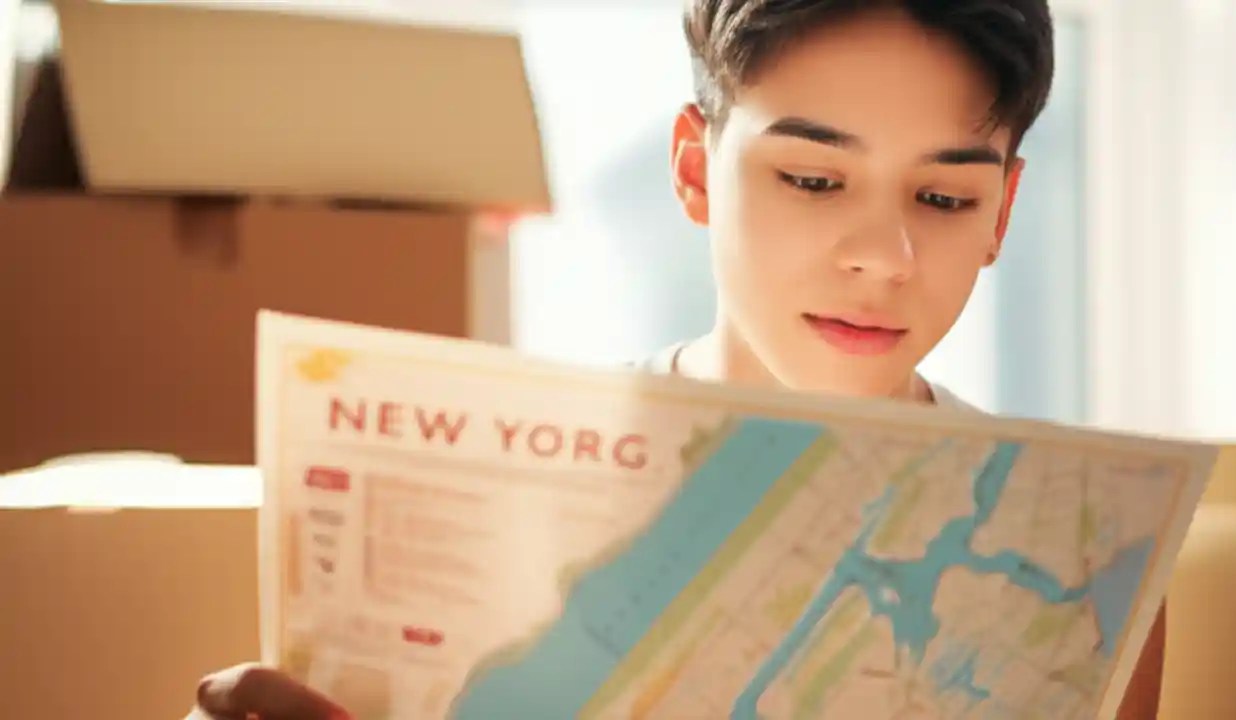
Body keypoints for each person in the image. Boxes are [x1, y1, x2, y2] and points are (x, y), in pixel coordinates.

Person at [189, 1, 1166, 717]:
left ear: (998, 211)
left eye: (943, 199)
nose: (883, 257)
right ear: (695, 171)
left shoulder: (1086, 557)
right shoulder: (501, 495)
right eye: (814, 179)